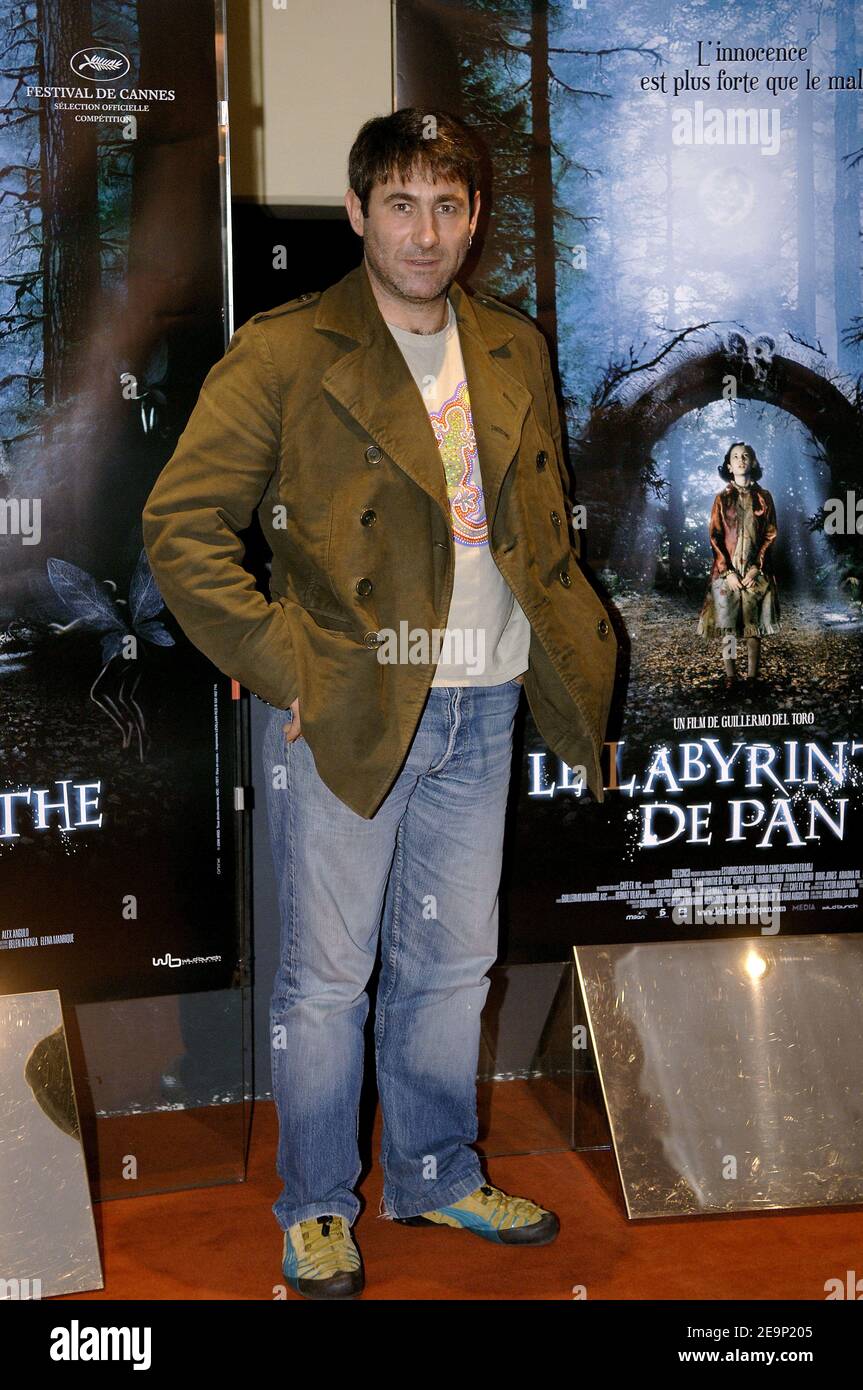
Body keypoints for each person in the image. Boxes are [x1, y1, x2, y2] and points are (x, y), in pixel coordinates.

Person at [142, 108, 617, 1300]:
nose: (425, 231)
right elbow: (182, 528)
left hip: (483, 698)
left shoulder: (510, 346)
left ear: (473, 218)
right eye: (399, 203)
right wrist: (286, 660)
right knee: (324, 978)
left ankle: (434, 1172)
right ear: (357, 213)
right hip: (349, 707)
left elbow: (536, 534)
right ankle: (313, 1205)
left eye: (448, 205)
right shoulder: (287, 351)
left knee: (454, 967)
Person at [697, 441, 780, 688]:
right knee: (729, 629)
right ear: (729, 466)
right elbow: (715, 536)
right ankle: (731, 677)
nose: (741, 459)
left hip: (756, 573)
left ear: (752, 463)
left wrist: (757, 567)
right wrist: (727, 571)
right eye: (735, 456)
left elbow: (771, 534)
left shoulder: (764, 498)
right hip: (728, 575)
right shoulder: (722, 498)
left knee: (753, 628)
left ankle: (752, 677)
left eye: (746, 456)